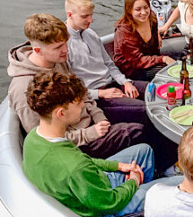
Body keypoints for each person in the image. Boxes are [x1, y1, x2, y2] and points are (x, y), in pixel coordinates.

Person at [22, 71, 181, 217]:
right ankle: (144, 199)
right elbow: (110, 202)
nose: (83, 106)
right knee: (174, 185)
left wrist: (118, 166)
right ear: (60, 113)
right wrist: (132, 181)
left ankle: (144, 191)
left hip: (93, 184)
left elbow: (84, 161)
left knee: (144, 151)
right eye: (78, 103)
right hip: (107, 207)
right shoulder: (73, 167)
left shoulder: (34, 137)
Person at [8, 13, 144, 158]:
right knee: (137, 131)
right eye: (59, 47)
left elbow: (82, 93)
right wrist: (89, 133)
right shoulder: (23, 89)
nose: (66, 50)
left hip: (89, 119)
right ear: (37, 50)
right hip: (76, 145)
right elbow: (45, 139)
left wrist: (99, 117)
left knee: (144, 113)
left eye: (66, 43)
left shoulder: (59, 60)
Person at [64, 0, 147, 125]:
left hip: (114, 83)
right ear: (70, 15)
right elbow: (70, 88)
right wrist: (101, 94)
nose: (90, 20)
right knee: (144, 109)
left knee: (155, 89)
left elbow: (109, 64)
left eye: (91, 15)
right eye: (85, 16)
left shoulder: (91, 34)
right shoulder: (63, 46)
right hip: (97, 97)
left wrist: (124, 82)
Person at [113, 0, 176, 82]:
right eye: (138, 9)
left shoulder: (152, 18)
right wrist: (163, 59)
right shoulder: (124, 32)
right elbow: (137, 61)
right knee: (169, 74)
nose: (143, 12)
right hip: (132, 70)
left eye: (146, 7)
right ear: (129, 10)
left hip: (149, 61)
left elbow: (155, 50)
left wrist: (161, 59)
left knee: (178, 63)